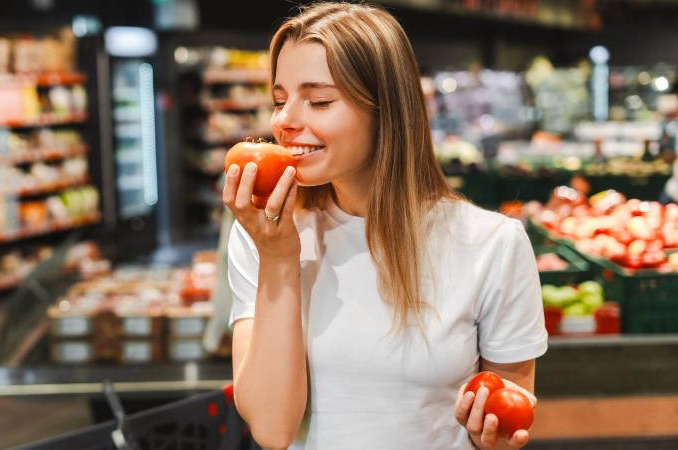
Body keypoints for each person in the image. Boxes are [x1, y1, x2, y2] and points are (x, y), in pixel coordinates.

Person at [222, 3, 547, 449]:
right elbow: (272, 430)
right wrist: (278, 258)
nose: (283, 121)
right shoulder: (261, 235)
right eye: (280, 100)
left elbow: (509, 413)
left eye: (319, 101)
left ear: (386, 109)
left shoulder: (492, 244)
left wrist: (491, 439)